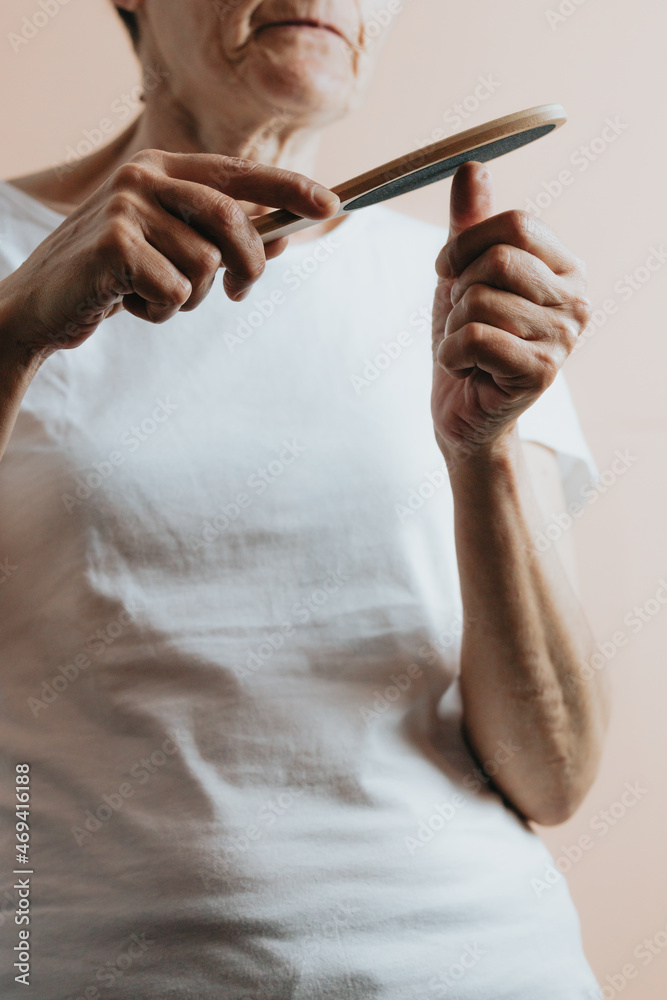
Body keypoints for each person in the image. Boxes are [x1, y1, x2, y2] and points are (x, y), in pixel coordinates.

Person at [0, 1, 610, 997]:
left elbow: (554, 773)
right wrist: (14, 332)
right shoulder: (14, 266)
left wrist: (482, 447)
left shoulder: (468, 296)